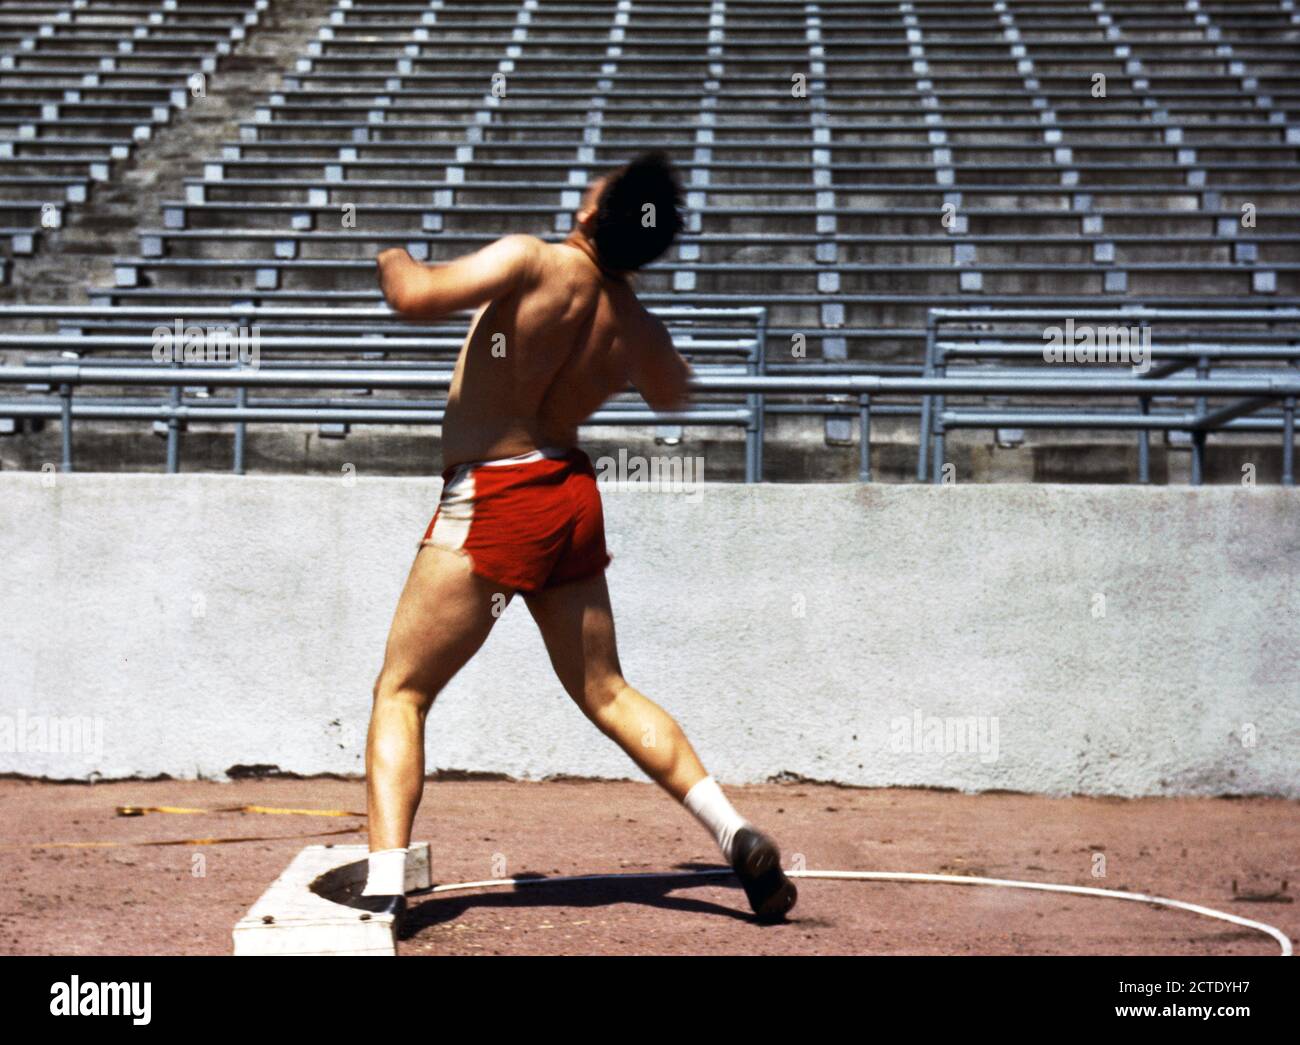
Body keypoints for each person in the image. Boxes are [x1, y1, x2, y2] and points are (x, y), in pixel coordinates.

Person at [360, 151, 796, 928]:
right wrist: (626, 335)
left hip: (496, 492)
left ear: (598, 213)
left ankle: (387, 884)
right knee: (607, 690)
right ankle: (735, 835)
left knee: (402, 690)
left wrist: (387, 252)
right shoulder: (633, 321)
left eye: (600, 187)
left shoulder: (533, 261)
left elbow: (414, 297)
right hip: (569, 494)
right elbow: (673, 391)